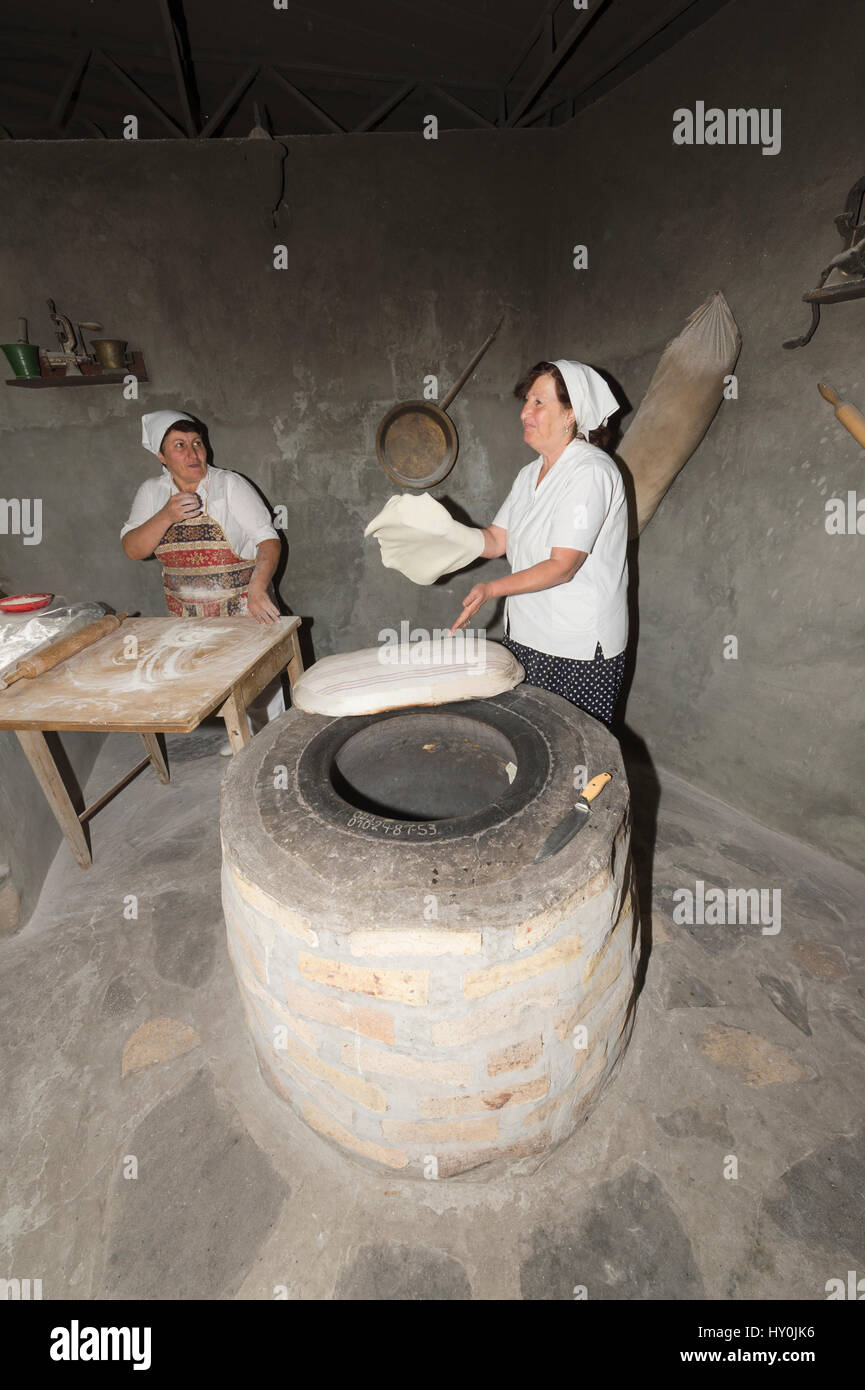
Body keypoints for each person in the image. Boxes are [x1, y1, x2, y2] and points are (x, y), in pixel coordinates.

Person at [450, 361, 628, 725]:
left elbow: (563, 566)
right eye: (526, 401)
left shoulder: (590, 471)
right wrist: (440, 532)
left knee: (575, 752)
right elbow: (496, 540)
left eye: (538, 402)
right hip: (528, 635)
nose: (524, 413)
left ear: (571, 414)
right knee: (530, 740)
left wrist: (491, 589)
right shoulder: (529, 473)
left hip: (575, 645)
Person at [121, 409, 285, 735]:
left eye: (197, 443)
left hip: (244, 608)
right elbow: (133, 549)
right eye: (179, 445)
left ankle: (271, 747)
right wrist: (165, 516)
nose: (193, 453)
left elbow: (268, 540)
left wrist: (258, 589)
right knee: (218, 687)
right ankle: (243, 740)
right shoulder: (152, 493)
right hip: (188, 616)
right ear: (161, 455)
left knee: (261, 691)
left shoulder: (229, 485)